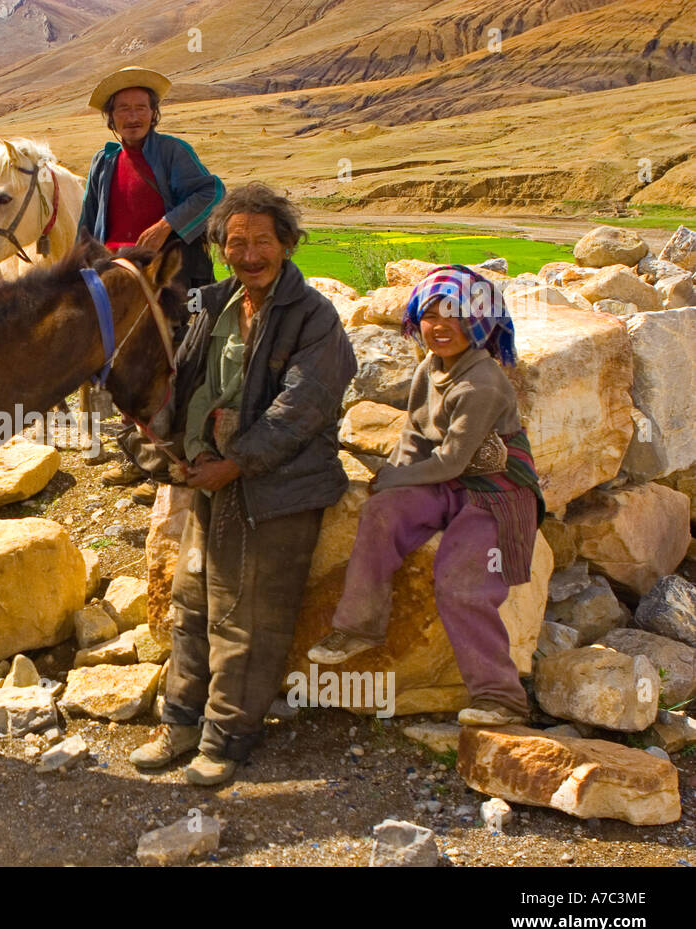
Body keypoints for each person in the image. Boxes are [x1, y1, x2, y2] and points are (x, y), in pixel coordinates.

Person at [128, 182, 356, 785]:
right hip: (211, 482)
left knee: (247, 617)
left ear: (286, 243)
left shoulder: (313, 317)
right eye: (236, 243)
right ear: (220, 248)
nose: (249, 254)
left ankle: (226, 740)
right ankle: (179, 722)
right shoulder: (210, 302)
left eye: (262, 241)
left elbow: (302, 408)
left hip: (277, 491)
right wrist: (158, 445)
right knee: (193, 601)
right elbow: (167, 376)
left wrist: (238, 462)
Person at [307, 266, 544, 726]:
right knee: (381, 513)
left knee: (461, 580)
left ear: (479, 321)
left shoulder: (482, 382)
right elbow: (415, 436)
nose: (438, 326)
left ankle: (501, 696)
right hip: (445, 482)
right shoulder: (428, 369)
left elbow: (453, 460)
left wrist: (396, 478)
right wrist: (392, 477)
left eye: (453, 315)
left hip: (494, 491)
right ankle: (358, 627)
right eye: (429, 315)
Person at [77, 65, 223, 501]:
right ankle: (138, 459)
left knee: (178, 362)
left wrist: (167, 224)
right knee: (126, 367)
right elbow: (87, 225)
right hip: (122, 283)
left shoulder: (173, 152)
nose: (133, 116)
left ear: (154, 114)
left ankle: (185, 456)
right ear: (112, 118)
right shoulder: (103, 163)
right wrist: (85, 268)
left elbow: (211, 192)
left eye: (142, 108)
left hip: (173, 276)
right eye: (124, 109)